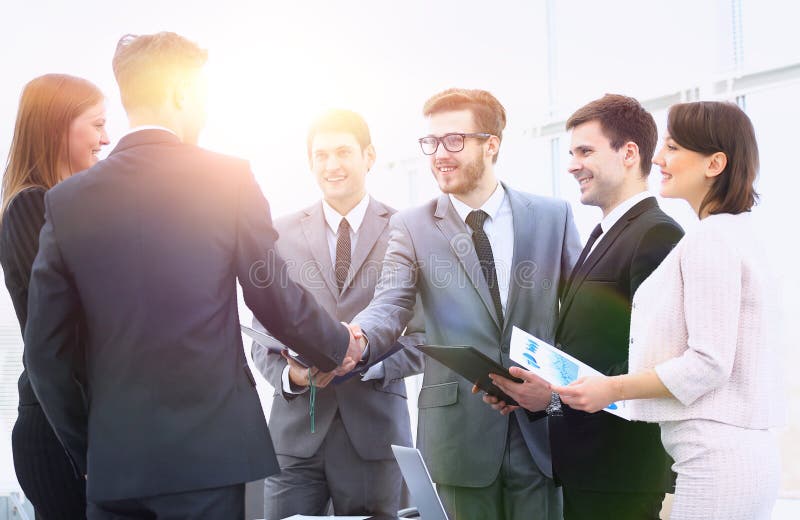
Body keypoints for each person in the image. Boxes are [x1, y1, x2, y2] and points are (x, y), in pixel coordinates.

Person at [22, 32, 361, 519]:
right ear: (181, 92)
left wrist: (90, 449)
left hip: (115, 470)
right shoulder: (227, 178)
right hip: (208, 460)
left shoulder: (66, 201)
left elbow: (44, 353)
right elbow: (272, 293)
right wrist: (338, 344)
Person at [351, 88, 581, 520]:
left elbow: (578, 319)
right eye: (432, 142)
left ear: (491, 144)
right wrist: (358, 337)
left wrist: (558, 396)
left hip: (541, 429)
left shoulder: (554, 216)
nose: (440, 154)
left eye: (454, 140)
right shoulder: (411, 226)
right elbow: (390, 304)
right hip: (459, 435)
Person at [554, 101, 784, 520]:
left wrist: (611, 389)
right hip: (731, 452)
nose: (658, 158)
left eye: (673, 148)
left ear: (714, 163)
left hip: (713, 457)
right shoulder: (734, 232)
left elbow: (708, 362)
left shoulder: (710, 238)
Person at [486, 94, 683, 519]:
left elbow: (654, 366)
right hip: (587, 466)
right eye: (572, 154)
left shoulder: (656, 235)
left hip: (620, 470)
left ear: (629, 154)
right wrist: (537, 394)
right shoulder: (602, 233)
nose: (573, 165)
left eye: (585, 151)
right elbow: (593, 349)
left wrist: (553, 398)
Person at [250, 109, 425, 519]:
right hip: (294, 437)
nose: (332, 165)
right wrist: (293, 377)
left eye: (344, 152)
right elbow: (262, 335)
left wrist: (361, 361)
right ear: (310, 162)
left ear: (369, 156)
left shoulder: (408, 230)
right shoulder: (279, 234)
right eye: (321, 155)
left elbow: (423, 338)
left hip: (375, 436)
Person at [0, 73, 109, 519]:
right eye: (97, 125)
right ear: (57, 128)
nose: (106, 139)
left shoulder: (65, 206)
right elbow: (56, 342)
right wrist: (85, 449)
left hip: (81, 429)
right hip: (58, 434)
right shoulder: (32, 206)